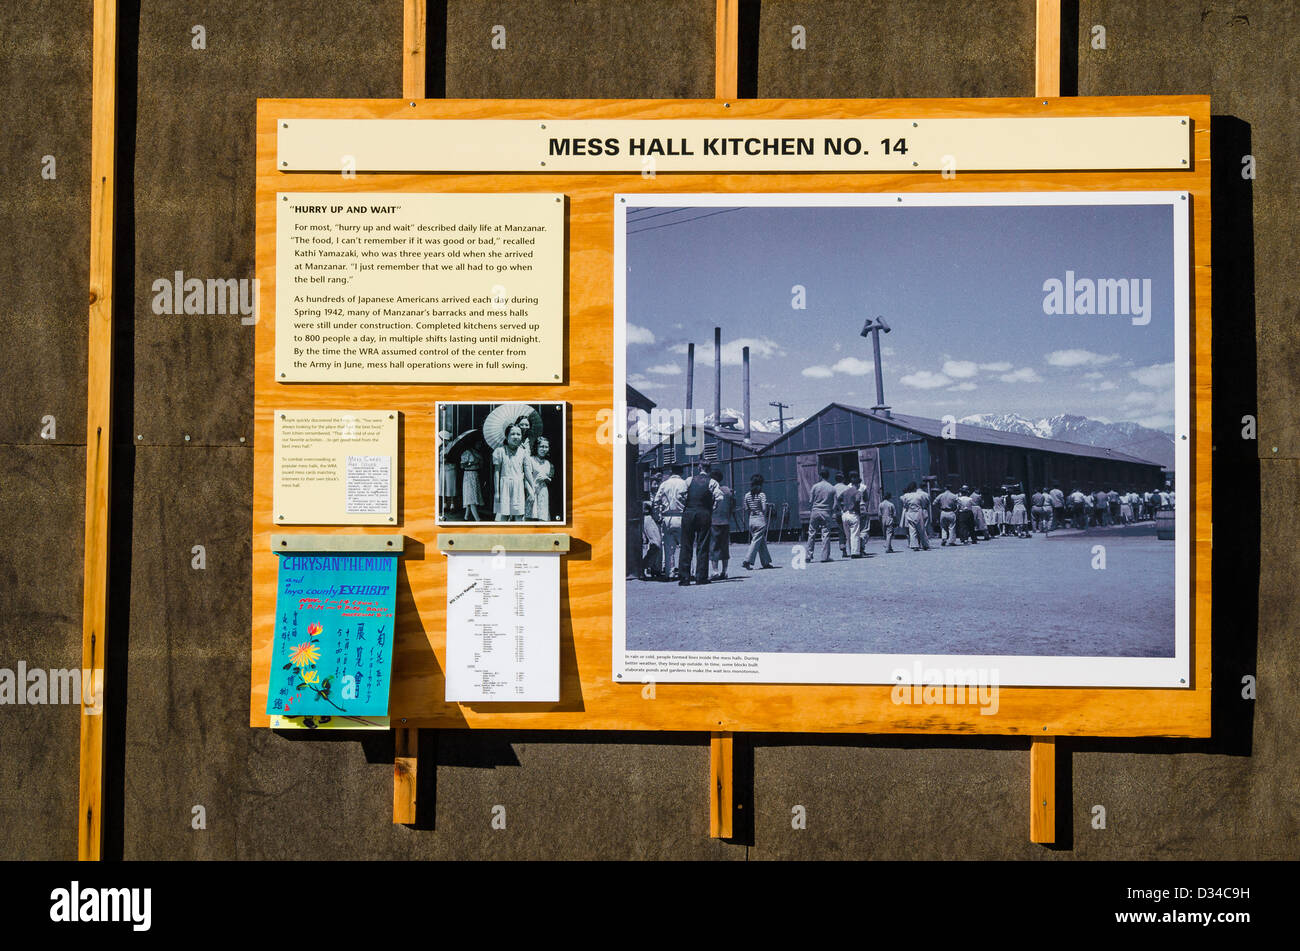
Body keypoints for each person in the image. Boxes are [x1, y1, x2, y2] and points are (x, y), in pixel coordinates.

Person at [678, 461, 722, 585]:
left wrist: (686, 506)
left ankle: (684, 577)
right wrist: (713, 508)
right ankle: (701, 577)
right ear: (709, 469)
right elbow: (719, 497)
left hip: (689, 513)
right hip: (704, 513)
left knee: (686, 544)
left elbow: (680, 495)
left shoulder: (689, 480)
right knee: (703, 545)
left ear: (699, 467)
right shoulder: (712, 482)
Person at [654, 465, 688, 579]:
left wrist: (658, 515)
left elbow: (656, 500)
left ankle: (670, 573)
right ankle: (686, 572)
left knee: (669, 548)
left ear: (671, 472)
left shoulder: (664, 484)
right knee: (685, 546)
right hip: (681, 516)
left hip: (667, 518)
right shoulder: (684, 483)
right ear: (681, 472)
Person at [492, 424, 528, 521]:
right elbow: (497, 472)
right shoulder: (500, 451)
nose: (515, 437)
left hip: (518, 486)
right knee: (504, 515)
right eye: (512, 434)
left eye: (518, 434)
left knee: (519, 515)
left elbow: (527, 472)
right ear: (507, 436)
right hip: (505, 486)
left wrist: (530, 489)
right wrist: (497, 492)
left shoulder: (523, 452)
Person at [741, 474, 774, 569]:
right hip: (760, 519)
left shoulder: (747, 495)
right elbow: (764, 508)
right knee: (756, 541)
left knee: (761, 541)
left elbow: (746, 509)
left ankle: (766, 562)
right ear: (759, 484)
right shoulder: (761, 495)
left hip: (751, 519)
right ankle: (747, 560)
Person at [708, 467, 735, 579]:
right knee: (724, 547)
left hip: (713, 521)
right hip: (725, 521)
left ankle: (715, 571)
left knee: (713, 547)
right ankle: (724, 571)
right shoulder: (728, 491)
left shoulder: (711, 490)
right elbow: (732, 506)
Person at [808, 468, 838, 563]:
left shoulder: (815, 487)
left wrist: (812, 509)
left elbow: (810, 501)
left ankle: (809, 555)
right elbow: (835, 504)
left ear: (820, 476)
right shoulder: (832, 488)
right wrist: (831, 511)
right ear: (828, 476)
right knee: (825, 534)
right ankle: (825, 557)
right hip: (826, 512)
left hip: (815, 510)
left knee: (811, 533)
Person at [523, 435, 554, 521]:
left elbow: (550, 479)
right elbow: (526, 478)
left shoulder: (548, 463)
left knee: (542, 516)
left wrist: (546, 478)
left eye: (546, 447)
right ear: (536, 447)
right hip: (531, 490)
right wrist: (531, 491)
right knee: (530, 516)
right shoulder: (531, 460)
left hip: (543, 492)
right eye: (541, 446)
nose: (544, 449)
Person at [900, 481, 931, 551]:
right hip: (918, 512)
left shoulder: (906, 496)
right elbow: (923, 504)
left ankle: (914, 545)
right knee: (922, 529)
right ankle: (925, 544)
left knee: (912, 530)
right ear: (915, 488)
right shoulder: (919, 495)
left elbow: (904, 504)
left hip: (910, 513)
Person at [438, 429, 458, 520]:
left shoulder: (452, 446)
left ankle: (452, 505)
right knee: (443, 486)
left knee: (451, 486)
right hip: (443, 468)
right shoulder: (441, 447)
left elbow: (454, 457)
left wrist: (448, 459)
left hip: (450, 469)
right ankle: (444, 504)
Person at [459, 446, 484, 520]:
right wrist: (471, 463)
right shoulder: (467, 452)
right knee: (471, 496)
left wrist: (479, 462)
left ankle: (466, 516)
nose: (479, 444)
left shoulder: (478, 453)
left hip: (475, 474)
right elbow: (462, 465)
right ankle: (477, 519)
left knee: (473, 495)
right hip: (468, 474)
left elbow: (481, 465)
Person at [840, 477, 863, 558]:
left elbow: (838, 499)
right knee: (855, 534)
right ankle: (855, 553)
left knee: (848, 535)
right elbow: (857, 501)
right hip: (853, 513)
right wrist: (857, 510)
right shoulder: (858, 492)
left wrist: (842, 508)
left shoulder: (845, 492)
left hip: (845, 514)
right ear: (858, 484)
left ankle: (850, 551)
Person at [641, 501, 663, 580]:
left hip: (653, 518)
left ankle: (654, 569)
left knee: (657, 546)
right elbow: (646, 504)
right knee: (656, 545)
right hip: (649, 517)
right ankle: (643, 566)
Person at [832, 471, 851, 557]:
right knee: (849, 530)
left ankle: (843, 548)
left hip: (837, 512)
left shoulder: (833, 488)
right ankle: (851, 549)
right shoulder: (847, 488)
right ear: (843, 479)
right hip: (846, 511)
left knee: (841, 530)